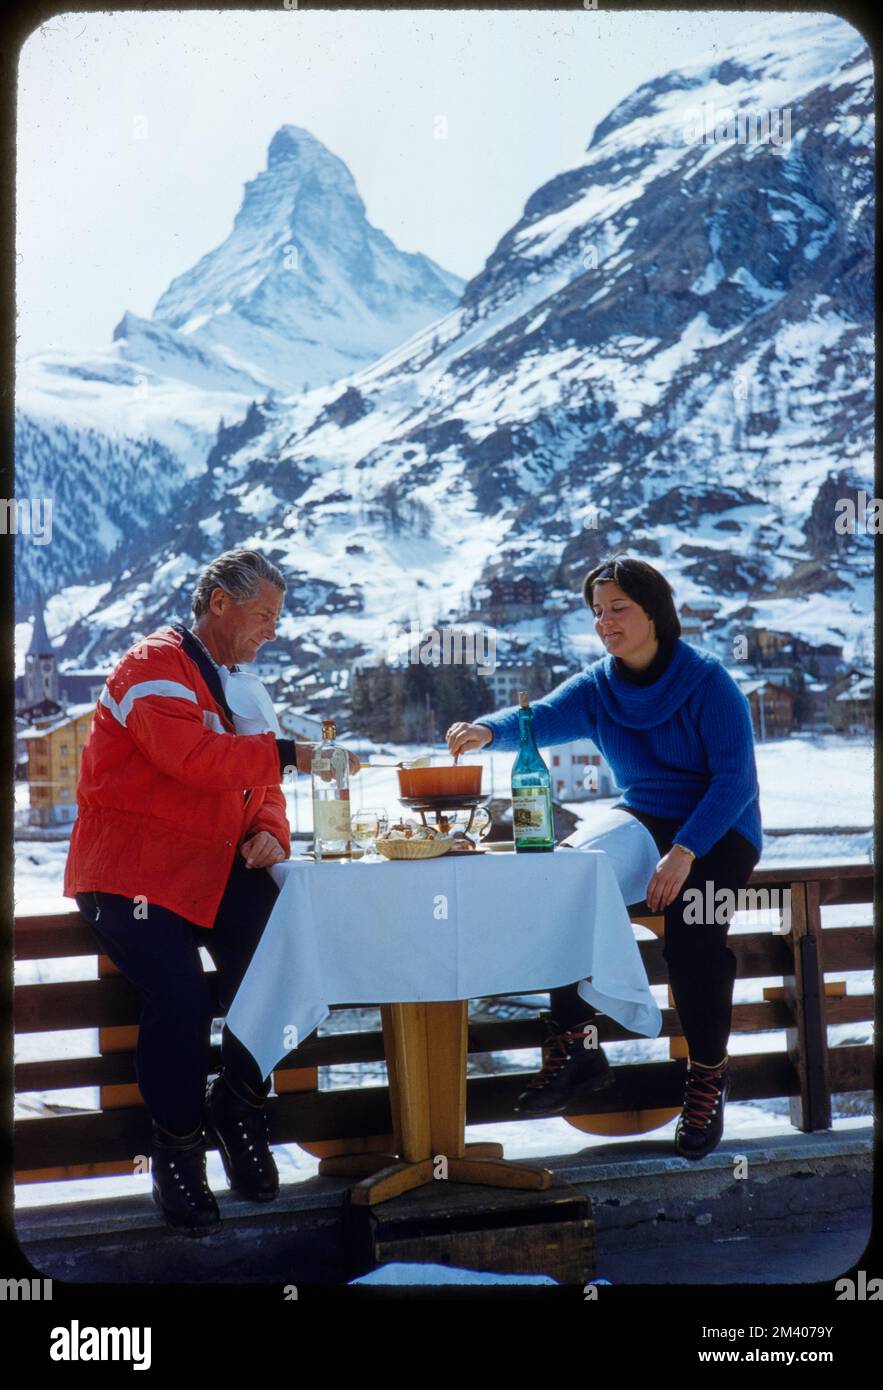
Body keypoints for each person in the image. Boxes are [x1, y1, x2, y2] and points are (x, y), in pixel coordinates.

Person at [64, 549, 359, 1233]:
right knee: (181, 997)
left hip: (210, 867)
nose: (271, 632)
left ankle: (238, 1103)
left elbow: (255, 788)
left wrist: (270, 831)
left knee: (284, 965)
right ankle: (177, 1153)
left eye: (276, 618)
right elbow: (191, 759)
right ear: (219, 605)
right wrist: (291, 752)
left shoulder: (236, 684)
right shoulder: (152, 665)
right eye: (263, 616)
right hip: (129, 872)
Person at [446, 555, 762, 1160]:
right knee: (564, 879)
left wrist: (683, 854)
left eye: (618, 608)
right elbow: (538, 718)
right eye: (597, 611)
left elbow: (734, 782)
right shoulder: (599, 686)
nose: (605, 621)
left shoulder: (709, 682)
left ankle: (707, 1078)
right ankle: (577, 1045)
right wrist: (486, 731)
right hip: (644, 813)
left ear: (654, 613)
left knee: (693, 937)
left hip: (721, 828)